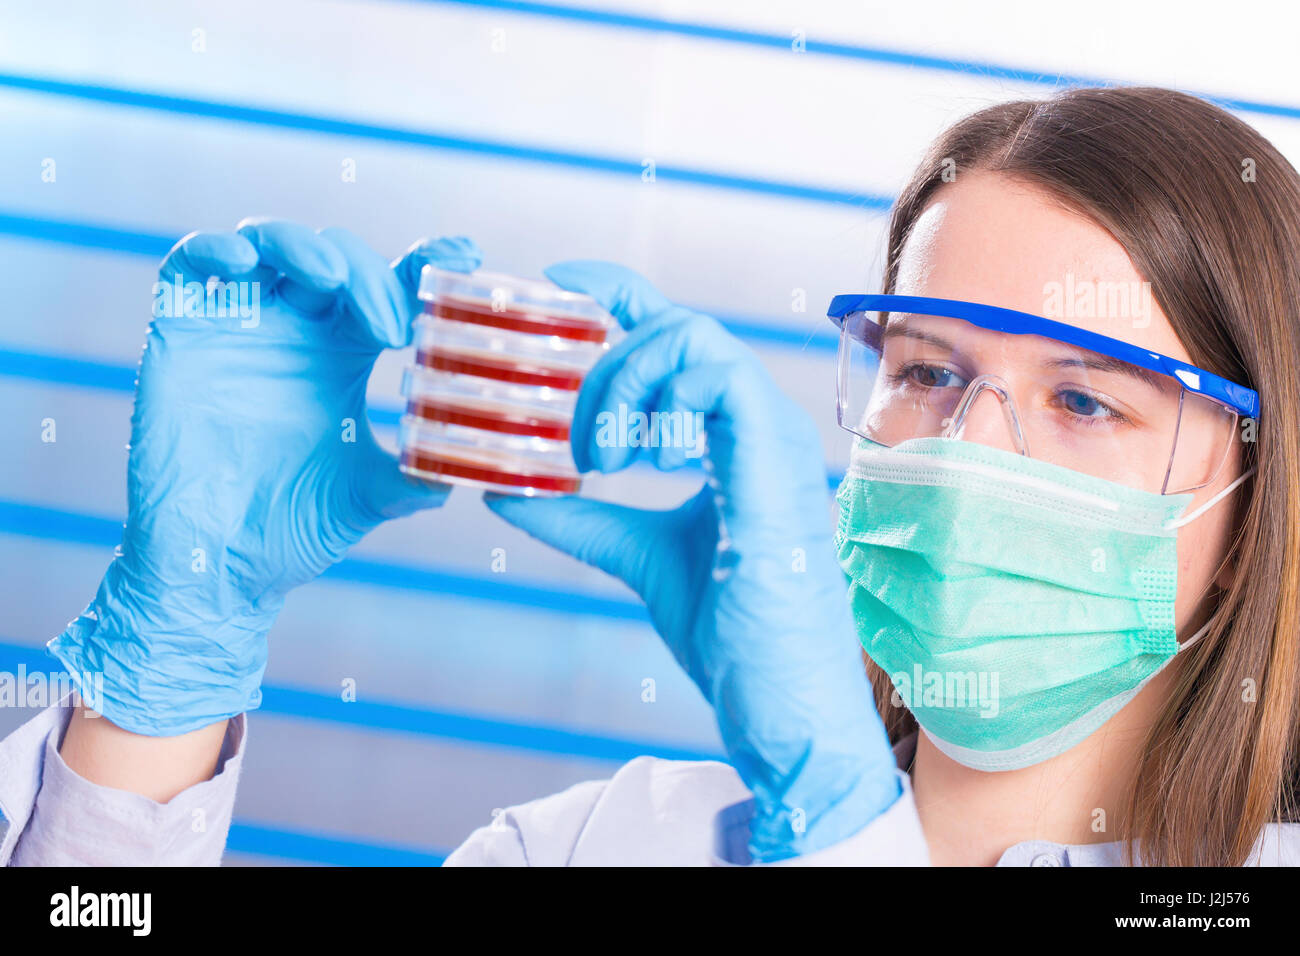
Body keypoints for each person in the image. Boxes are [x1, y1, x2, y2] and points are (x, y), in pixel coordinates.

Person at [1, 86, 1297, 867]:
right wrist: (167, 681)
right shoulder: (597, 848)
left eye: (1084, 400)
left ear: (1254, 512)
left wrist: (840, 822)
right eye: (924, 370)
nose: (964, 453)